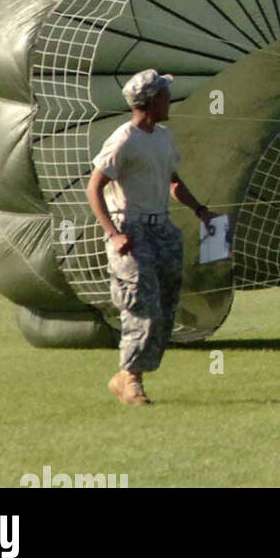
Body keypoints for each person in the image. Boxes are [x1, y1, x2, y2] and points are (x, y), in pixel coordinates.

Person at [86, 68, 216, 405]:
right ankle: (130, 380)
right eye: (164, 95)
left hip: (163, 229)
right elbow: (94, 187)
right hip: (131, 229)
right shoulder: (123, 139)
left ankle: (129, 375)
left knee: (166, 306)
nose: (169, 100)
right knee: (141, 305)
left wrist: (201, 210)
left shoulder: (163, 137)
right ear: (151, 101)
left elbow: (173, 182)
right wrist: (113, 234)